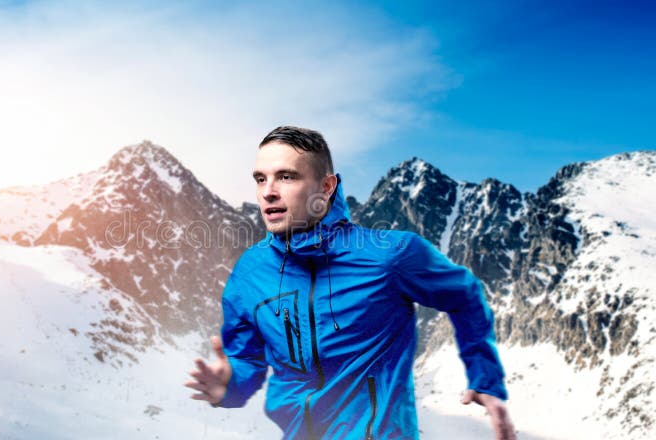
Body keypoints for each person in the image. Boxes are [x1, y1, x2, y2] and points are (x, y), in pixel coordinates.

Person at [185, 126, 516, 439]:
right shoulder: (250, 274)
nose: (268, 192)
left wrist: (485, 378)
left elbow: (465, 294)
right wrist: (227, 386)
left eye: (286, 177)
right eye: (260, 179)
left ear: (326, 187)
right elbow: (246, 361)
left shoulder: (390, 256)